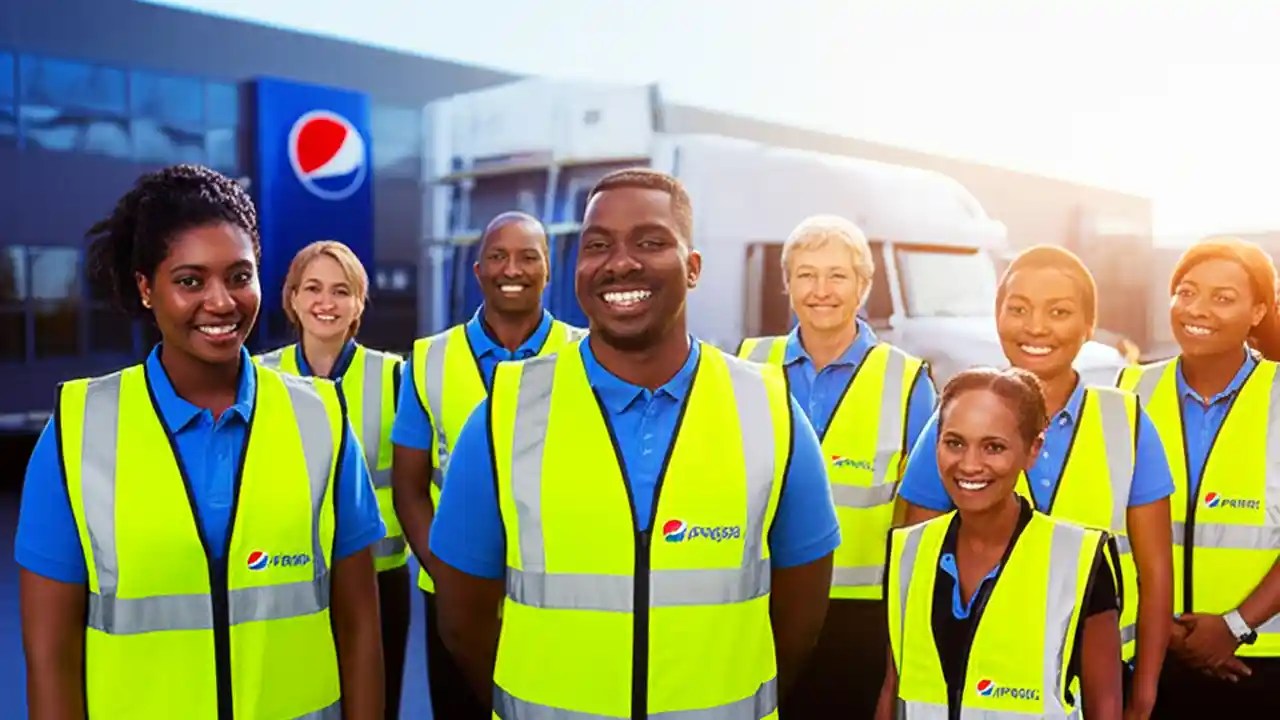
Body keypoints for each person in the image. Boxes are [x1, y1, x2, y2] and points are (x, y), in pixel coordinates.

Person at [427, 168, 840, 716]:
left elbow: (800, 621)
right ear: (577, 270)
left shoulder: (769, 412)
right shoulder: (504, 416)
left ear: (693, 268)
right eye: (598, 245)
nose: (620, 262)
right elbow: (461, 623)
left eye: (650, 241)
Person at [15, 164, 386, 719]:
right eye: (190, 280)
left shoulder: (322, 420)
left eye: (240, 276)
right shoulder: (77, 432)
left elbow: (358, 630)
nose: (221, 302)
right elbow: (51, 659)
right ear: (147, 288)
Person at [898, 245, 1174, 717]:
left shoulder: (1126, 422)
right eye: (1018, 308)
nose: (1036, 327)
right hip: (979, 684)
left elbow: (1156, 574)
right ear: (996, 313)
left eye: (1059, 312)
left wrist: (1145, 690)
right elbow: (914, 569)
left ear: (1090, 325)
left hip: (1098, 684)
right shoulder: (956, 418)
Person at [736, 214, 936, 718]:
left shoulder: (908, 381)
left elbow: (924, 522)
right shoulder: (745, 366)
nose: (820, 290)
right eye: (806, 274)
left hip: (862, 618)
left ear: (864, 285)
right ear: (786, 283)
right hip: (760, 600)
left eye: (837, 275)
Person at [390, 211, 584, 719]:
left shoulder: (586, 354)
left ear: (548, 268)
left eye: (528, 257)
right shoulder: (429, 360)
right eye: (498, 256)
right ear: (478, 270)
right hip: (453, 595)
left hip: (557, 596)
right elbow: (409, 489)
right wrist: (452, 576)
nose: (512, 269)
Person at [877, 366, 1124, 720]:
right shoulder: (909, 552)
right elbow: (893, 692)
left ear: (1033, 449)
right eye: (955, 443)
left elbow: (1106, 709)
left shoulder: (1079, 560)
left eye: (993, 447)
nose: (970, 464)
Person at [1115, 237, 1280, 718]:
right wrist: (1160, 626)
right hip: (1146, 655)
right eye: (1186, 292)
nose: (1198, 309)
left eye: (1223, 298)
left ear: (1259, 312)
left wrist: (1233, 625)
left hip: (1258, 662)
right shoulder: (1127, 392)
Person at [255, 239, 409, 719]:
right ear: (293, 298)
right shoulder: (260, 378)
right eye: (314, 288)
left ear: (359, 302)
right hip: (288, 582)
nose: (327, 302)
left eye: (342, 291)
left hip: (380, 582)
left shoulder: (394, 376)